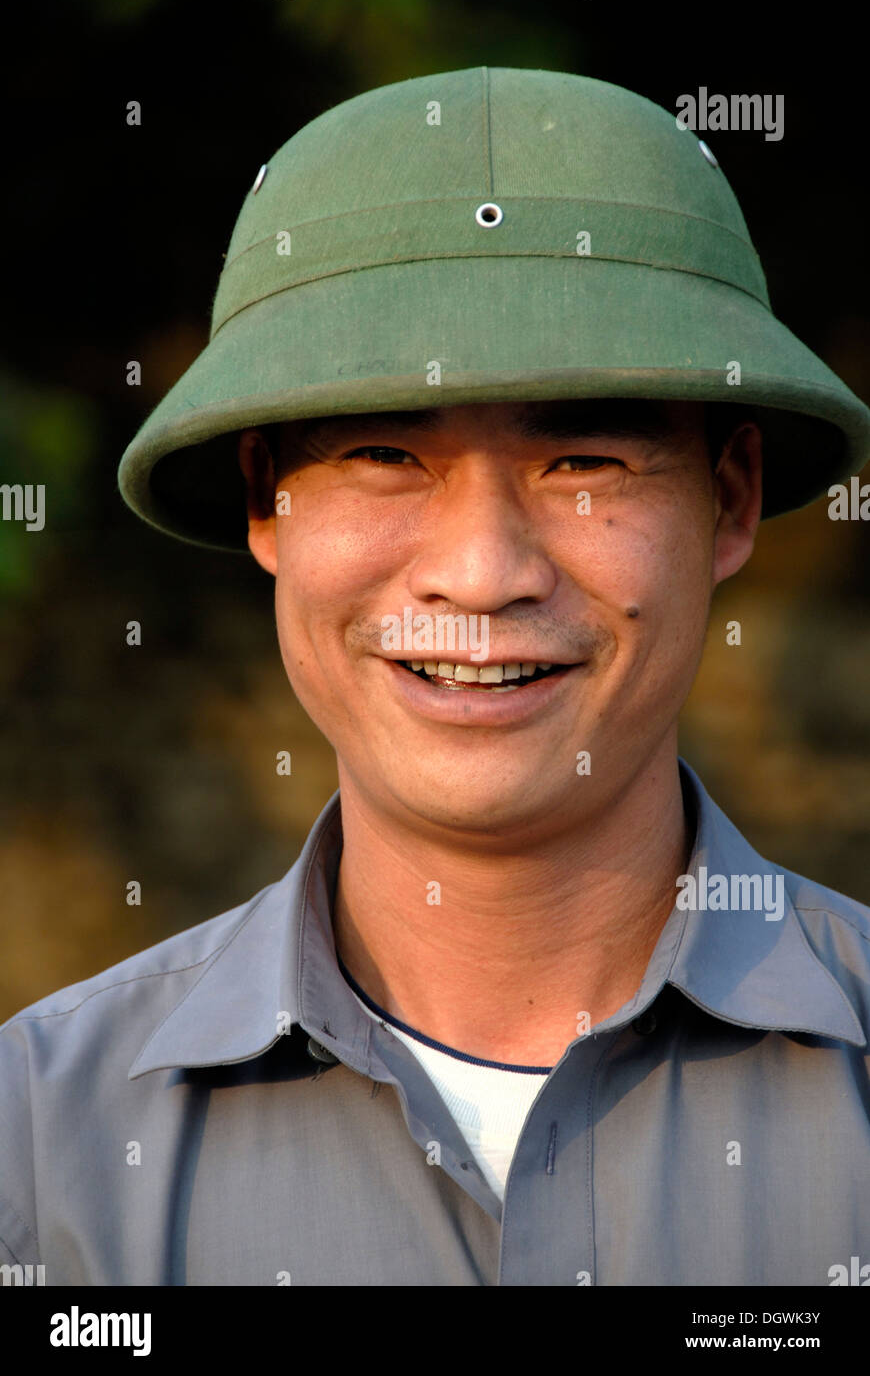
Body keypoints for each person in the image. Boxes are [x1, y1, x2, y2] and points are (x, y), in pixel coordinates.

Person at [2, 66, 869, 1288]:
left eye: (585, 457)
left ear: (727, 502)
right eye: (382, 453)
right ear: (268, 501)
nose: (483, 571)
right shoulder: (41, 1148)